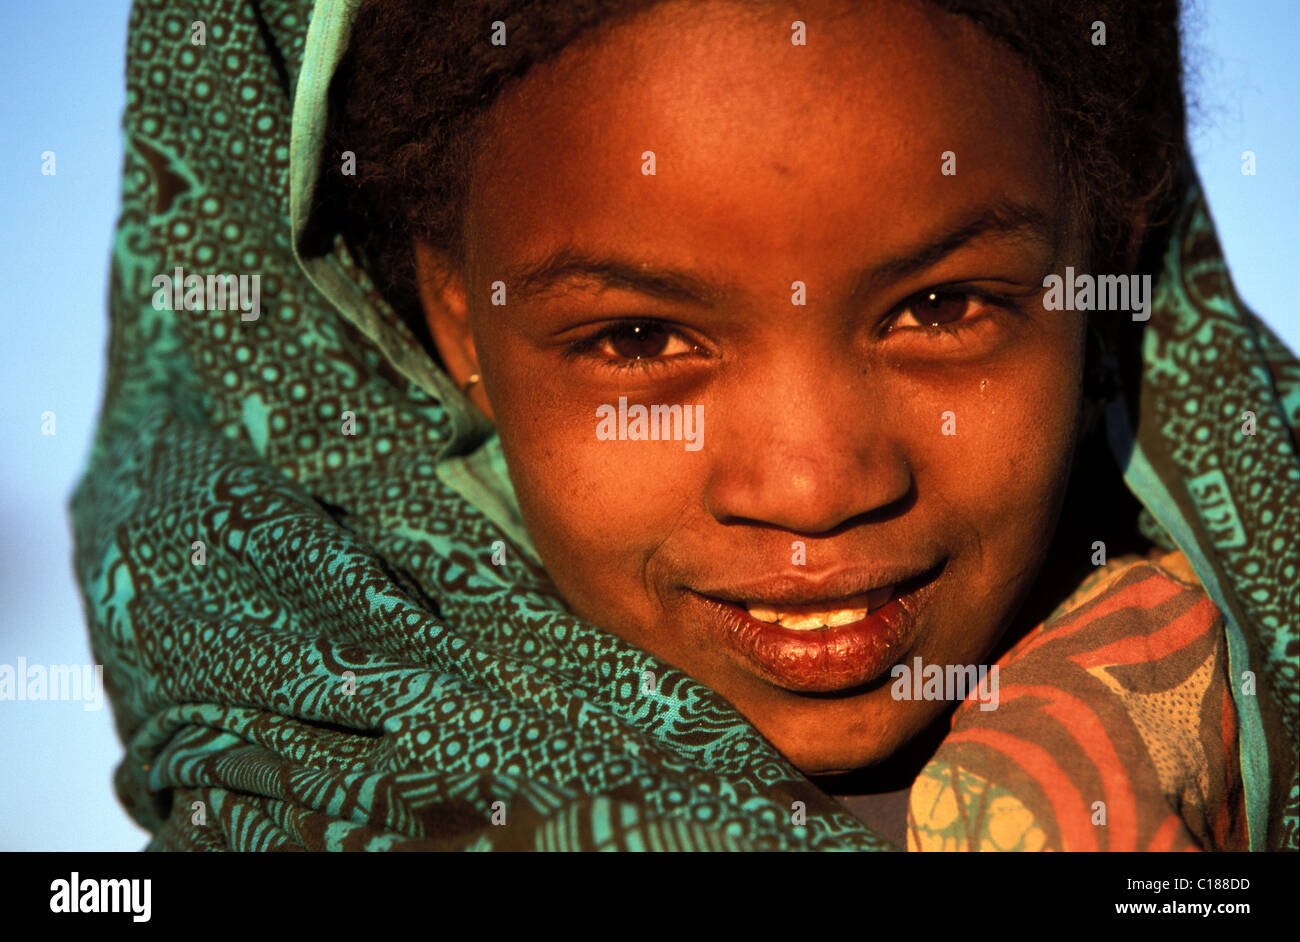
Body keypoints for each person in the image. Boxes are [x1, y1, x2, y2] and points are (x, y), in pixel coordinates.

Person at [73, 0, 1297, 851]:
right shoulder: (284, 813)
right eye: (642, 340)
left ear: (1104, 260)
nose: (816, 488)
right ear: (457, 322)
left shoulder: (1234, 719)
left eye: (940, 307)